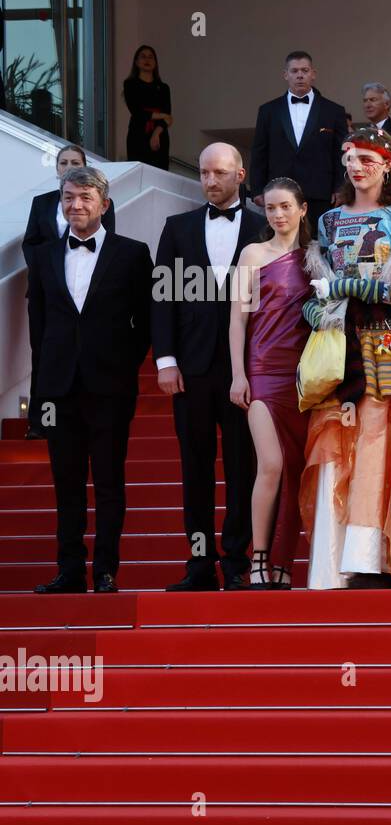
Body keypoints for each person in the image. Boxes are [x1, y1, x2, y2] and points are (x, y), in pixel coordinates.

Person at [300, 126, 391, 589]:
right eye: (350, 158)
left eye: (365, 158)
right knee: (340, 437)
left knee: (381, 435)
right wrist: (314, 305)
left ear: (385, 164)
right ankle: (340, 558)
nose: (355, 167)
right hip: (340, 341)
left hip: (385, 336)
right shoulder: (327, 221)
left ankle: (377, 555)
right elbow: (314, 286)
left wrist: (344, 287)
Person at [26, 167, 152, 593]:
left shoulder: (133, 254)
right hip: (58, 388)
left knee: (109, 481)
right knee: (67, 483)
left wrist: (123, 365)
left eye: (84, 197)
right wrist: (41, 390)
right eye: (68, 198)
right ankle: (69, 570)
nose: (75, 205)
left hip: (110, 387)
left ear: (104, 203)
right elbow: (38, 327)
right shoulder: (43, 256)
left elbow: (145, 323)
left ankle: (105, 570)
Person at [151, 142, 266, 592]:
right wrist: (166, 360)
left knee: (243, 469)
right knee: (194, 470)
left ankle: (237, 562)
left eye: (219, 173)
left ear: (239, 174)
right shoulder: (176, 228)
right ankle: (199, 563)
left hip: (246, 372)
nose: (209, 181)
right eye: (203, 173)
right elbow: (162, 298)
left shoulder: (263, 228)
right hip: (191, 371)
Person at [228, 178, 314, 589]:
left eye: (285, 207)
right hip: (263, 370)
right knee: (272, 464)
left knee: (298, 471)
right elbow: (238, 318)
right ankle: (258, 558)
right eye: (271, 209)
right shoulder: (252, 253)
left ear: (302, 210)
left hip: (305, 377)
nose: (278, 215)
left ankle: (284, 562)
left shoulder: (316, 257)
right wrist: (239, 373)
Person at [22, 144, 116, 440]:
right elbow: (30, 243)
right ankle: (41, 422)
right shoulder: (42, 203)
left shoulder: (100, 204)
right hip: (46, 295)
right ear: (57, 168)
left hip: (86, 297)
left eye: (76, 162)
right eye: (64, 162)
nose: (70, 166)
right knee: (42, 356)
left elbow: (108, 243)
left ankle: (86, 416)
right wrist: (49, 273)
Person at [249, 51, 349, 228]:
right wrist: (257, 189)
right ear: (285, 74)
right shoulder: (268, 110)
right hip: (279, 192)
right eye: (294, 71)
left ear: (313, 74)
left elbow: (340, 153)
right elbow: (259, 151)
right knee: (281, 247)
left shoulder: (334, 111)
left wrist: (340, 188)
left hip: (320, 193)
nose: (300, 75)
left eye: (304, 70)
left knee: (318, 246)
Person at [123, 45, 171, 170]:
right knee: (137, 172)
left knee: (161, 173)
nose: (147, 60)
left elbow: (168, 116)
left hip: (160, 135)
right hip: (138, 133)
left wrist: (156, 133)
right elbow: (137, 112)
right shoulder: (130, 84)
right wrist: (162, 115)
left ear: (155, 63)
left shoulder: (164, 87)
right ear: (136, 62)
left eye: (151, 57)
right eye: (143, 56)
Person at [361, 81, 391, 161]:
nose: (367, 105)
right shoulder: (361, 134)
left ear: (387, 104)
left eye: (372, 100)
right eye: (365, 101)